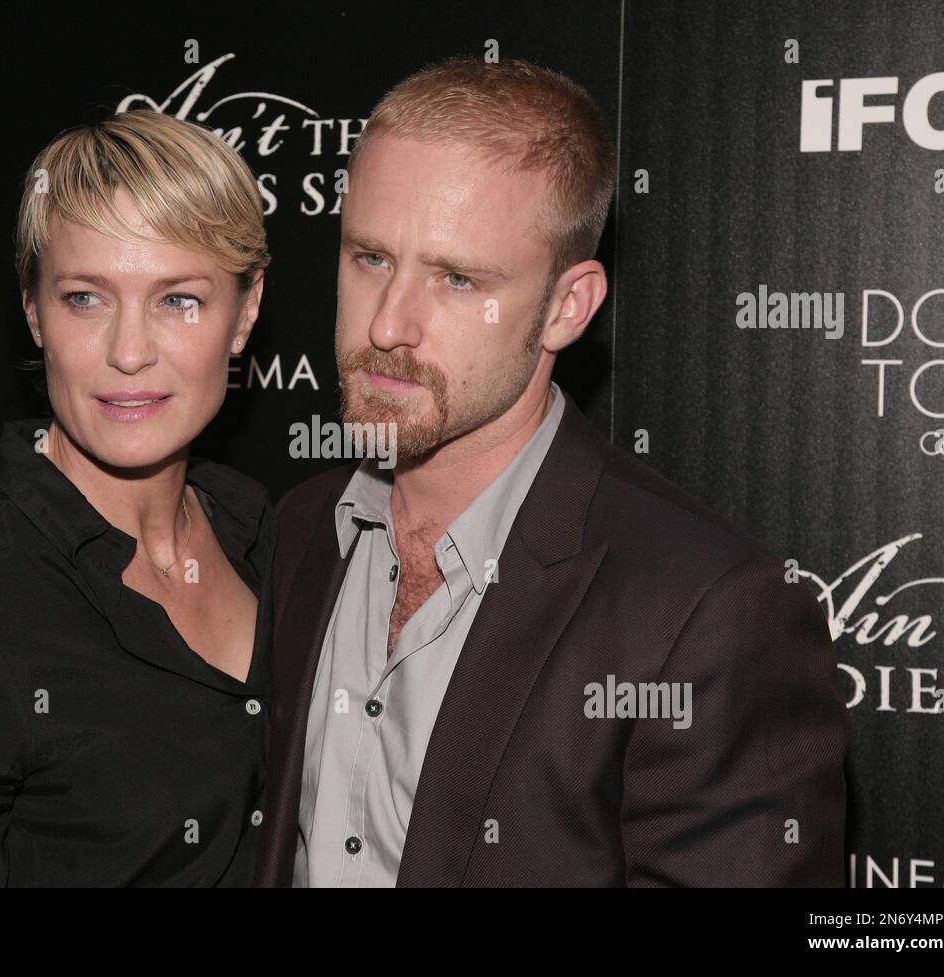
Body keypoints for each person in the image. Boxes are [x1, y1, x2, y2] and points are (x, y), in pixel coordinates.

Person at [255, 56, 848, 887]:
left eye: (458, 279)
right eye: (370, 258)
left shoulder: (705, 614)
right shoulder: (293, 532)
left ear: (567, 307)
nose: (389, 324)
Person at [0, 109, 274, 886]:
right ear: (33, 311)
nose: (129, 352)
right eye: (85, 297)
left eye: (178, 300)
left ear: (246, 312)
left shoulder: (273, 535)